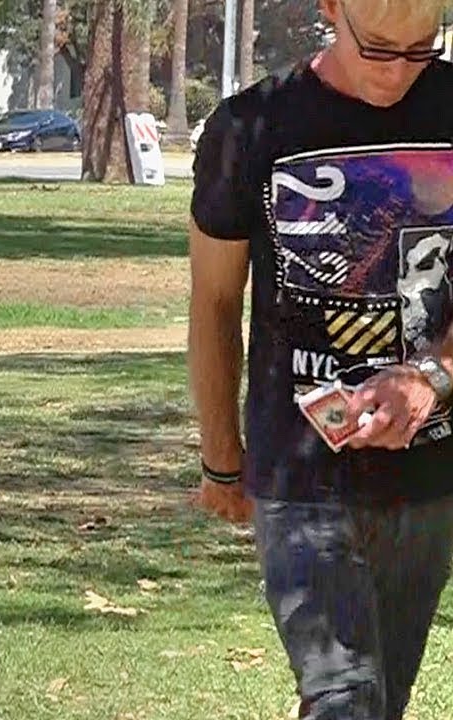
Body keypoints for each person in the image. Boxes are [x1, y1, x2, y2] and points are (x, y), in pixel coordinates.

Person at [189, 0, 453, 717]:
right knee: (342, 697)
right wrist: (220, 456)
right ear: (331, 9)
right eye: (378, 50)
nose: (399, 73)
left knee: (380, 700)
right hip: (299, 472)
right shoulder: (249, 130)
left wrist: (433, 376)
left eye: (420, 50)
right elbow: (215, 302)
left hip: (430, 476)